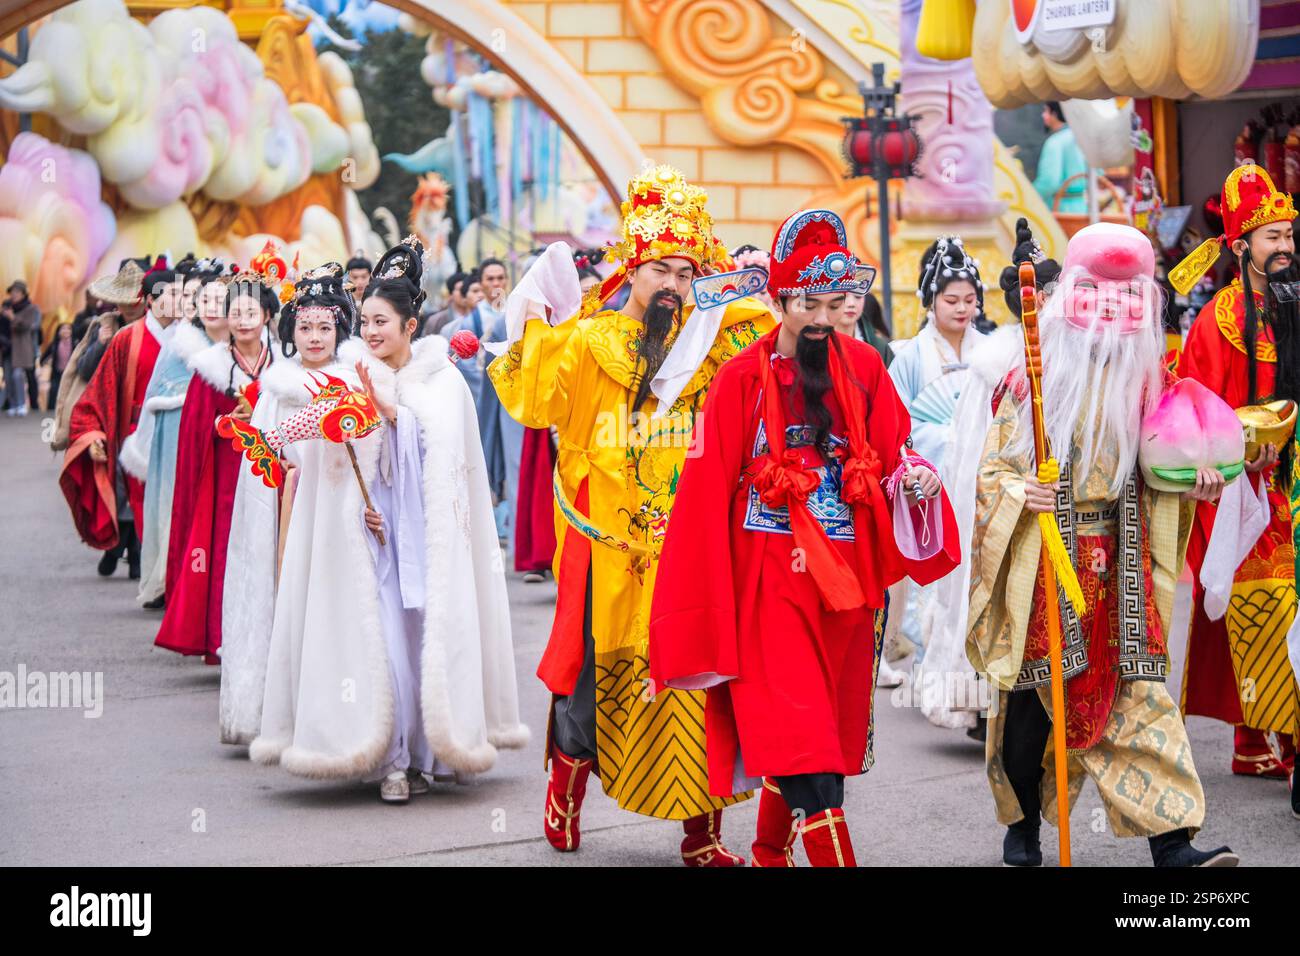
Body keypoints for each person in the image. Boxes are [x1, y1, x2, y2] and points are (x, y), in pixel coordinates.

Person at [649, 208, 960, 866]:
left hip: (844, 586)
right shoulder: (738, 380)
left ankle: (769, 852)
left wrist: (917, 479)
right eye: (807, 303)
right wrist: (700, 614)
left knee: (824, 741)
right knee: (804, 747)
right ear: (780, 299)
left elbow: (893, 451)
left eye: (833, 302)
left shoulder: (867, 367)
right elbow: (702, 500)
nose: (822, 318)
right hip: (769, 584)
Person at [488, 165, 773, 864]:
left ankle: (703, 835)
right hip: (613, 551)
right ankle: (564, 790)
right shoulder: (591, 343)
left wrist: (748, 283)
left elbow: (771, 334)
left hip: (699, 551)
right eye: (658, 270)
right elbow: (534, 397)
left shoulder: (724, 346)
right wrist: (532, 313)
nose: (672, 285)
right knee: (588, 687)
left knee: (706, 689)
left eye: (686, 271)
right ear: (632, 272)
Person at [968, 222, 1238, 867]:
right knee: (1036, 706)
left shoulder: (1154, 383)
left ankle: (1173, 845)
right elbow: (992, 473)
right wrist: (1019, 494)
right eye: (1100, 294)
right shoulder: (1029, 381)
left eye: (1129, 298)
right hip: (1046, 559)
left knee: (1141, 697)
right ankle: (1024, 827)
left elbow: (1168, 464)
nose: (1114, 312)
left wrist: (1194, 479)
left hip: (1122, 563)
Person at [252, 238, 528, 801]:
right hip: (374, 538)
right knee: (387, 648)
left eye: (382, 321)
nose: (372, 332)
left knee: (427, 638)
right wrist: (356, 496)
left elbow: (448, 459)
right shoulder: (355, 376)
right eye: (367, 321)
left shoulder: (441, 379)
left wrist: (394, 417)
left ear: (410, 325)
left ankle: (431, 752)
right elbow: (331, 445)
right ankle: (392, 760)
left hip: (428, 538)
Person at [1173, 163, 1299, 792]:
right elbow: (1195, 407)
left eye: (1290, 236)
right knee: (1261, 606)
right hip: (1245, 490)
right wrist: (1234, 456)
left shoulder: (1297, 304)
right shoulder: (1216, 320)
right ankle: (1260, 734)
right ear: (1243, 245)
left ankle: (1277, 735)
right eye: (1273, 237)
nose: (1286, 248)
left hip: (1295, 480)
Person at [921, 219, 1061, 735]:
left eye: (1050, 293)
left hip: (1051, 498)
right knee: (992, 595)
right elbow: (973, 449)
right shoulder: (996, 362)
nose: (1045, 304)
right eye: (1038, 294)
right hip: (1002, 496)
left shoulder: (1067, 354)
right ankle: (985, 700)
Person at [219, 263, 355, 747]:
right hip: (288, 510)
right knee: (288, 603)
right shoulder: (277, 388)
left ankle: (336, 718)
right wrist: (284, 477)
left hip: (342, 512)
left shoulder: (355, 383)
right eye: (305, 327)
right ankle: (283, 714)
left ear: (340, 329)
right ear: (291, 331)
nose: (315, 338)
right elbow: (259, 461)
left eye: (324, 327)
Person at [154, 258, 280, 664]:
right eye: (236, 313)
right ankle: (225, 638)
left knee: (275, 550)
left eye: (251, 312)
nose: (243, 321)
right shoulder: (208, 370)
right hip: (225, 476)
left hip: (275, 473)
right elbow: (194, 432)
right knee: (228, 551)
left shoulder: (283, 367)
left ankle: (276, 641)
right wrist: (226, 422)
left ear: (266, 316)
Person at [886, 237, 988, 675]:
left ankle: (977, 669)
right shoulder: (908, 356)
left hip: (983, 480)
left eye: (969, 300)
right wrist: (939, 441)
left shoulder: (991, 351)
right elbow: (895, 423)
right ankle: (935, 669)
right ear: (932, 301)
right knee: (935, 576)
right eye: (951, 300)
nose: (962, 309)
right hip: (929, 482)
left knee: (978, 575)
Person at [120, 260, 228, 609]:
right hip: (180, 439)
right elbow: (158, 392)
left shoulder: (241, 345)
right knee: (175, 509)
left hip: (224, 445)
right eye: (204, 301)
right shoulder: (182, 343)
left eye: (219, 301)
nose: (211, 308)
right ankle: (172, 581)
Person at [59, 259, 176, 580]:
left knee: (165, 502)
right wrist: (93, 432)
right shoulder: (123, 336)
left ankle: (148, 561)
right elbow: (95, 382)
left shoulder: (187, 338)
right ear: (150, 300)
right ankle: (128, 551)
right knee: (128, 495)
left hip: (176, 429)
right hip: (132, 426)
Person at [1033, 102, 1088, 214]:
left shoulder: (1055, 142)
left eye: (1046, 111)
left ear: (1055, 113)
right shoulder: (1081, 137)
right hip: (1082, 207)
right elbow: (1098, 172)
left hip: (1060, 209)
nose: (1043, 115)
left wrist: (1030, 196)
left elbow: (1049, 181)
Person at [2, 280, 40, 415]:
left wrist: (13, 318)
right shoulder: (6, 308)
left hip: (23, 348)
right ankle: (13, 405)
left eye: (17, 292)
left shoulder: (31, 309)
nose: (14, 295)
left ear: (24, 294)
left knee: (18, 375)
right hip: (7, 348)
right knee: (8, 377)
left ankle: (22, 404)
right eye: (12, 292)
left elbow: (29, 326)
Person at [40, 320, 75, 415]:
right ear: (58, 331)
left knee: (69, 393)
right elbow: (44, 356)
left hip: (70, 373)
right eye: (63, 328)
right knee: (54, 391)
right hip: (57, 372)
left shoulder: (75, 343)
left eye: (68, 328)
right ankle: (50, 411)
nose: (66, 331)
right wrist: (43, 363)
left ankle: (68, 412)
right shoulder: (55, 343)